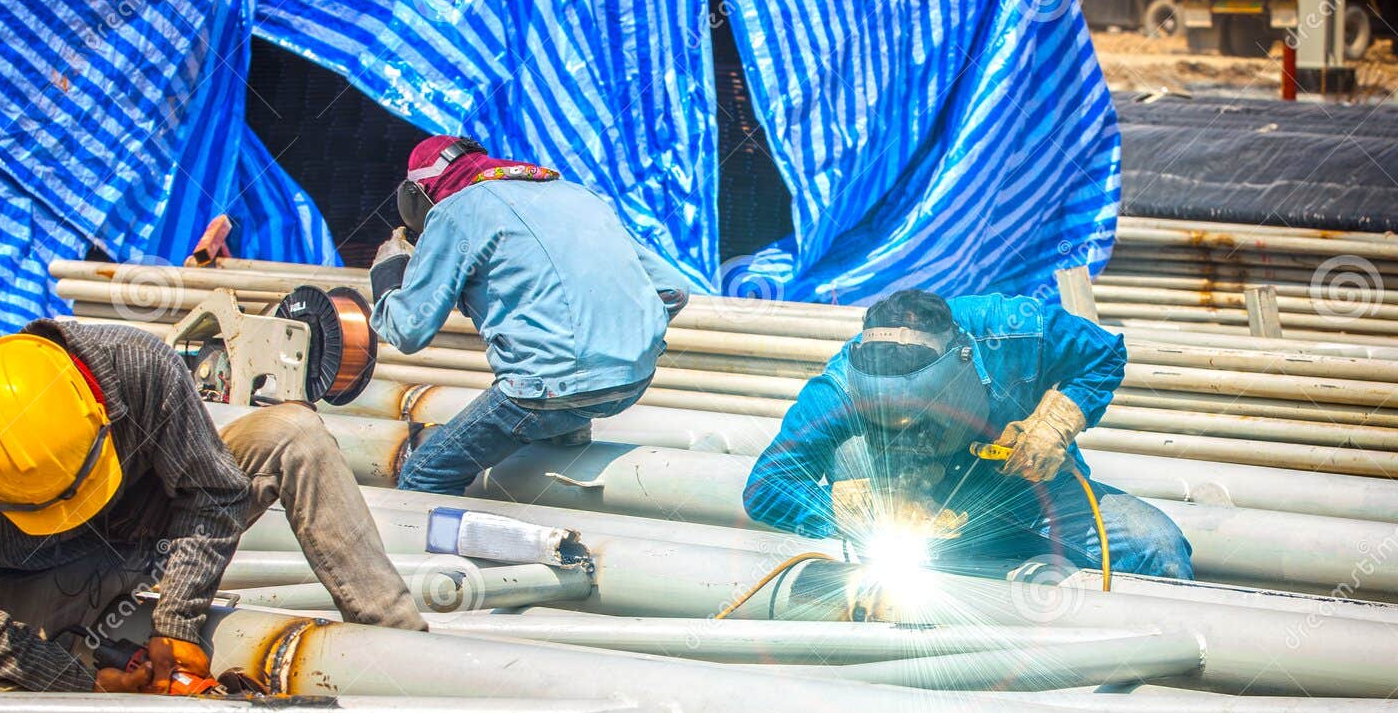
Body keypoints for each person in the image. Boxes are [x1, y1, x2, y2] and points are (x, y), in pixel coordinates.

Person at [0, 320, 424, 694]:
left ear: (100, 412)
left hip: (152, 537)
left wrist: (177, 622)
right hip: (34, 585)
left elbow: (215, 490)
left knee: (295, 433)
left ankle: (407, 652)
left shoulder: (139, 368)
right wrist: (78, 684)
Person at [743, 289, 1193, 580]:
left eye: (923, 416)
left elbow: (1104, 354)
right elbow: (766, 487)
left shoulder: (1013, 330)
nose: (912, 433)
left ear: (963, 364)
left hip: (1028, 494)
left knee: (1156, 545)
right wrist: (848, 509)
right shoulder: (838, 389)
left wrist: (1057, 420)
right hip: (910, 517)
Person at [366, 135, 693, 494]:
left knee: (426, 473)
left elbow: (409, 330)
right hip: (632, 379)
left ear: (415, 195)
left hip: (545, 391)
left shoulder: (455, 211)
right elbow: (673, 289)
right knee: (544, 459)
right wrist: (620, 343)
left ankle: (449, 551)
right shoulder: (578, 196)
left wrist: (389, 272)